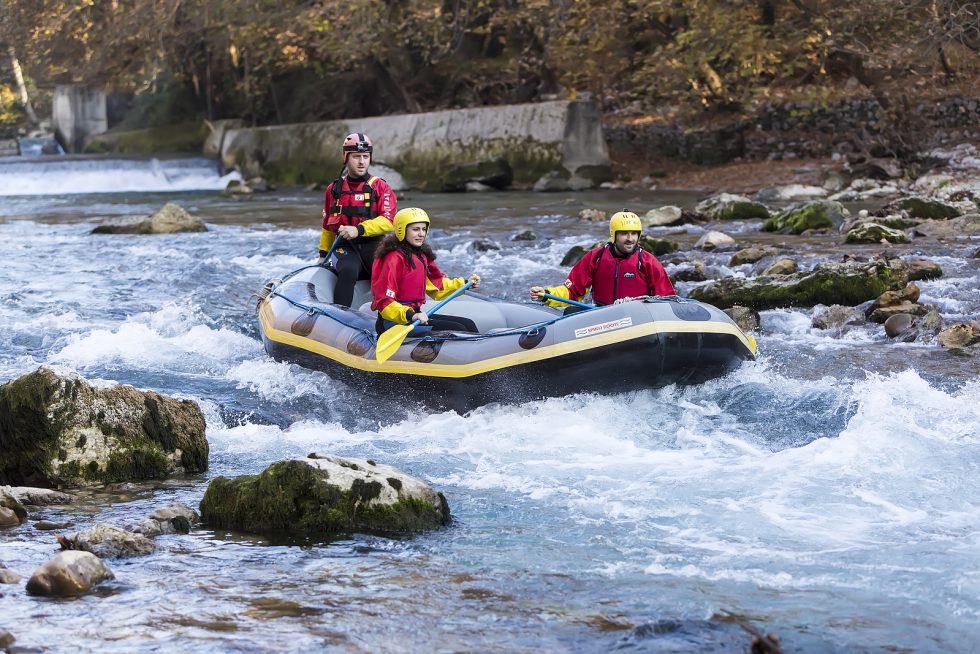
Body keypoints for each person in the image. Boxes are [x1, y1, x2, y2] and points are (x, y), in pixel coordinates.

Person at [530, 211, 675, 311]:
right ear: (613, 235)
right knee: (571, 312)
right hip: (601, 316)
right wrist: (546, 294)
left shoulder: (648, 262)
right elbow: (571, 292)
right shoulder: (596, 257)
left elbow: (667, 300)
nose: (630, 238)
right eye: (624, 233)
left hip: (639, 318)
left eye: (634, 233)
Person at [371, 208, 481, 335]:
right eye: (416, 229)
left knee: (467, 324)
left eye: (424, 229)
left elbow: (438, 286)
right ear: (402, 230)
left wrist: (465, 284)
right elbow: (384, 301)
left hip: (415, 316)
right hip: (394, 322)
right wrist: (411, 315)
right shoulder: (392, 258)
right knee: (458, 328)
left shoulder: (421, 255)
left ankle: (484, 353)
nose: (421, 234)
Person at [318, 133, 397, 307]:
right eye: (356, 157)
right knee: (348, 270)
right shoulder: (333, 189)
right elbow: (327, 226)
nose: (361, 162)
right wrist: (323, 255)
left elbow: (388, 221)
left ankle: (391, 314)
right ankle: (340, 316)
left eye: (365, 157)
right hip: (345, 246)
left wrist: (359, 229)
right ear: (346, 158)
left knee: (388, 269)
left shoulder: (380, 187)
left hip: (373, 244)